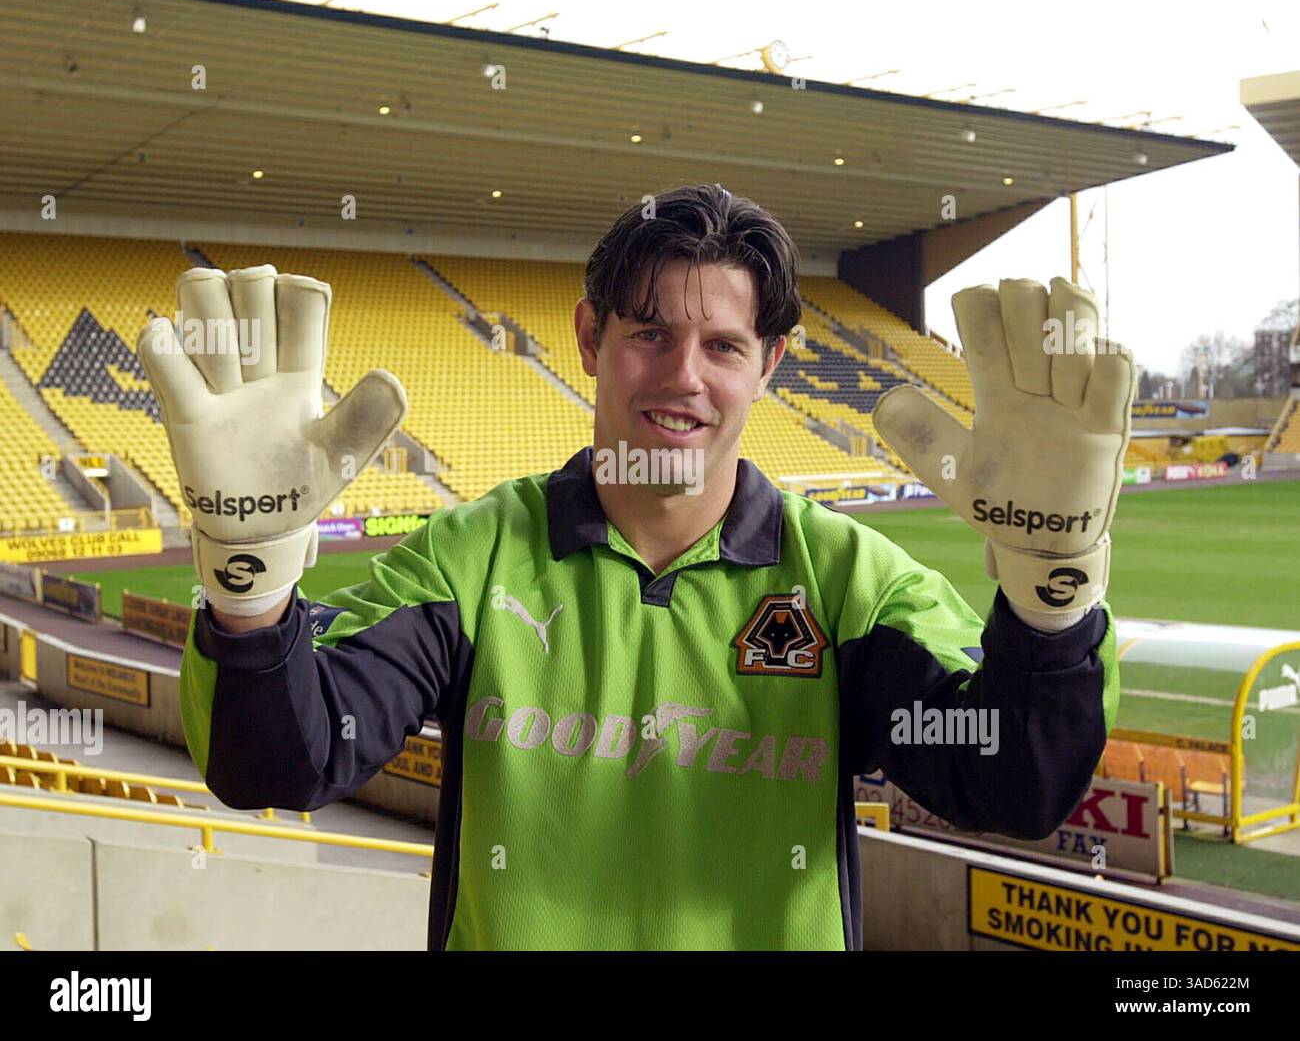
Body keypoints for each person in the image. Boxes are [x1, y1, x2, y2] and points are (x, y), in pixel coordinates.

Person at [141, 183, 1133, 951]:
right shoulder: (471, 557)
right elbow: (278, 760)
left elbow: (1011, 784)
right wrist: (248, 582)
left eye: (723, 344)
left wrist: (1051, 593)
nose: (684, 376)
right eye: (649, 333)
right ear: (588, 337)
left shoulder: (845, 582)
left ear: (768, 365)